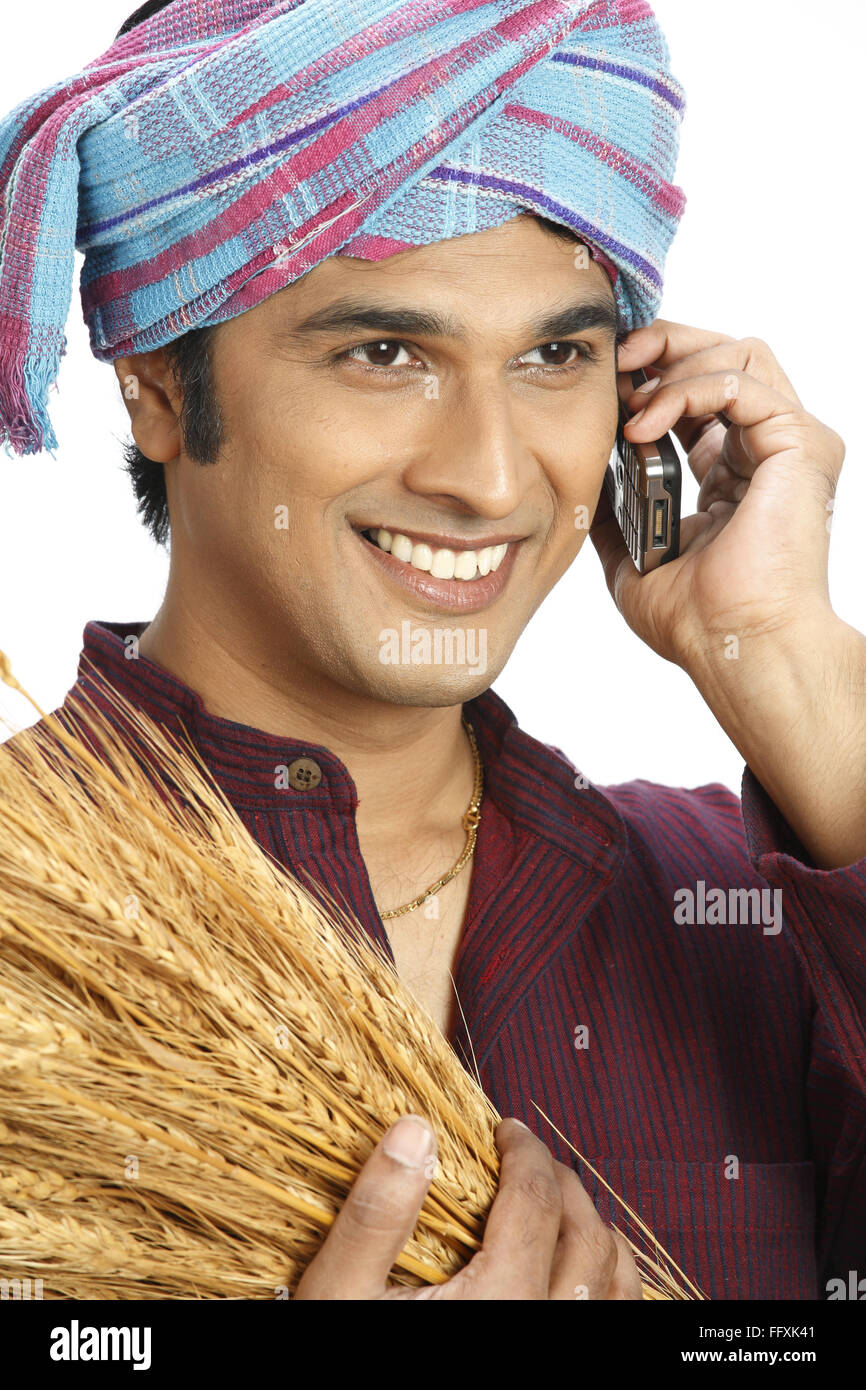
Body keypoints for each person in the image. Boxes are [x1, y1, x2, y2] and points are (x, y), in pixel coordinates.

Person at [1, 0, 863, 1301]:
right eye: (385, 350)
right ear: (163, 392)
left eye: (554, 354)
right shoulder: (21, 905)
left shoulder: (749, 907)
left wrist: (784, 656)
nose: (489, 475)